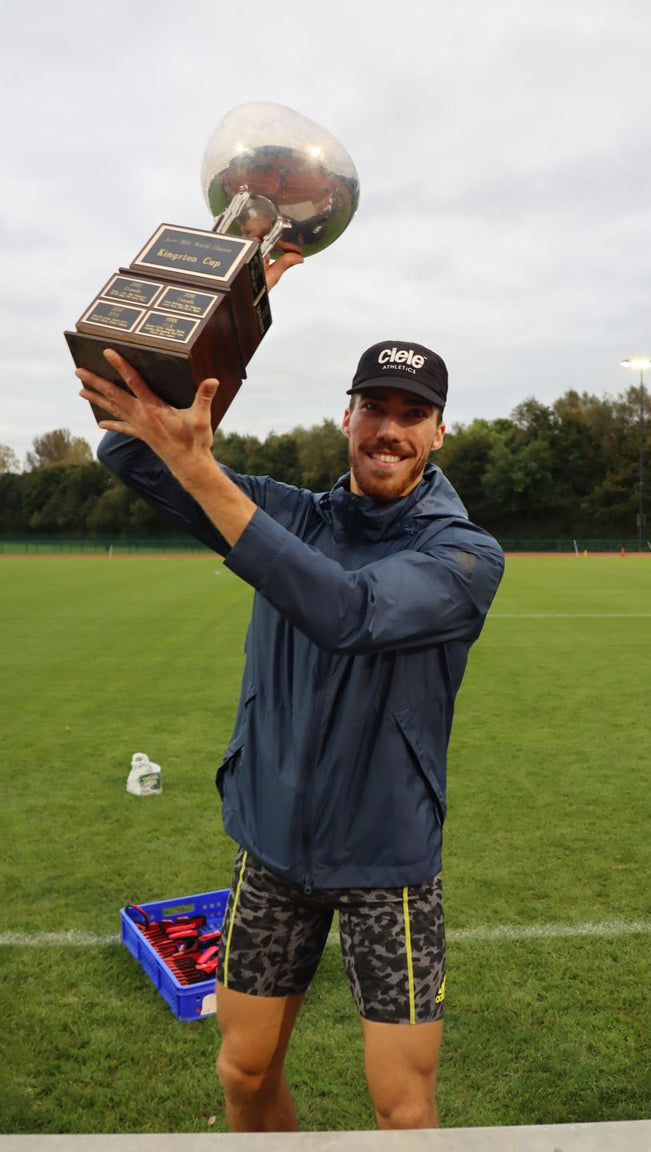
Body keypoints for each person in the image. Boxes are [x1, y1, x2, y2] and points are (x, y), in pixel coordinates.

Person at [74, 259, 504, 1133]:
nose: (389, 429)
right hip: (272, 848)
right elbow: (126, 446)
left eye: (411, 414)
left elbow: (342, 612)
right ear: (346, 416)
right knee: (242, 1070)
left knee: (404, 1109)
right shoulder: (295, 516)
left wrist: (204, 473)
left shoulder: (465, 556)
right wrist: (228, 304)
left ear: (439, 432)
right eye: (374, 408)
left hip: (389, 863)